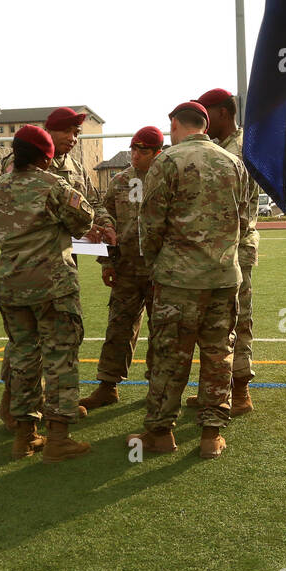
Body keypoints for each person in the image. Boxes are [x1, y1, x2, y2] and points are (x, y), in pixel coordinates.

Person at [130, 101, 250, 459]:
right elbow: (243, 221)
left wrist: (154, 264)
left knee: (170, 356)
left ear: (175, 124)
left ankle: (161, 433)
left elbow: (150, 223)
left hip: (178, 280)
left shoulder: (168, 162)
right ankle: (211, 435)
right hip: (224, 276)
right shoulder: (233, 162)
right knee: (218, 354)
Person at [0, 106, 113, 429]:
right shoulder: (19, 163)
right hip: (32, 267)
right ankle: (15, 405)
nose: (74, 140)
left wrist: (104, 225)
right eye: (70, 133)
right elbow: (18, 208)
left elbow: (94, 202)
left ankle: (54, 406)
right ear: (51, 131)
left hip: (61, 262)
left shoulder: (73, 166)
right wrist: (82, 222)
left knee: (57, 341)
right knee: (29, 345)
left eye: (77, 134)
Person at [0, 125, 96, 462]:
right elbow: (84, 220)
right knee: (60, 358)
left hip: (12, 285)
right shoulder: (52, 185)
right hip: (52, 285)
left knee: (22, 359)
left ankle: (24, 436)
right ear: (45, 157)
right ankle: (58, 438)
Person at [81, 126, 165, 412]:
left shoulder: (167, 180)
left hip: (160, 269)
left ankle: (158, 386)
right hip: (127, 267)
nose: (135, 155)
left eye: (143, 150)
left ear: (158, 153)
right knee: (118, 327)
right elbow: (106, 224)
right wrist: (106, 262)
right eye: (133, 149)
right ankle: (108, 386)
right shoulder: (119, 182)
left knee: (162, 331)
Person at [196, 87, 260, 416]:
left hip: (235, 246)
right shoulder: (216, 147)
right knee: (213, 322)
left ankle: (241, 391)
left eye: (207, 112)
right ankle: (216, 387)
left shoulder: (243, 147)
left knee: (239, 318)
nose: (203, 120)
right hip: (210, 249)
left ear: (224, 112)